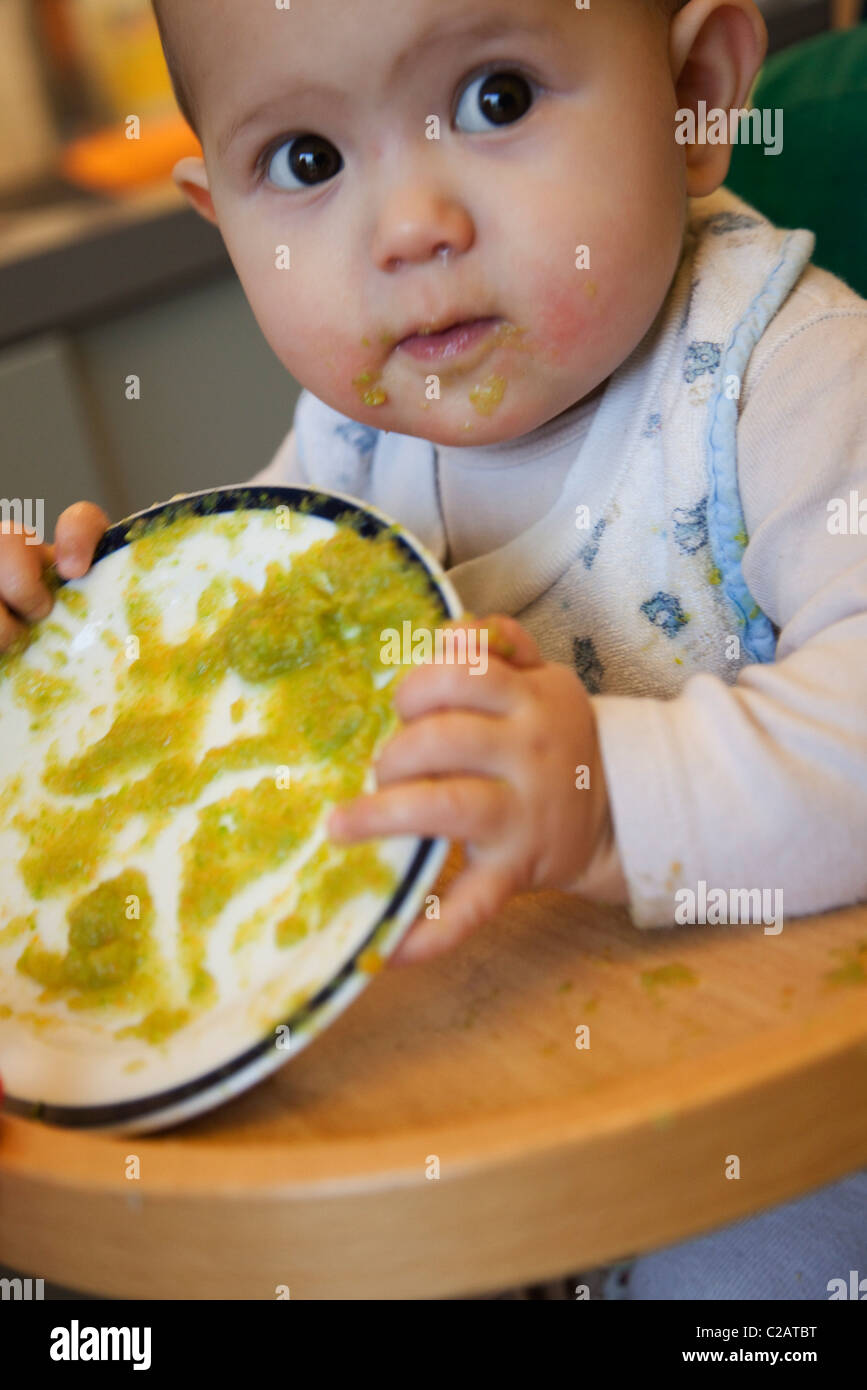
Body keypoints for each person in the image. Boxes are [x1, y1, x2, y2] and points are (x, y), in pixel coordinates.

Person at [1, 0, 865, 1298]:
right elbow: (251, 727)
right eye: (307, 161)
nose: (410, 229)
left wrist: (609, 794)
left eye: (498, 98)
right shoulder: (349, 448)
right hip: (475, 1154)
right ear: (220, 217)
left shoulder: (783, 375)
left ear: (697, 99)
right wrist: (71, 653)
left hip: (770, 1182)